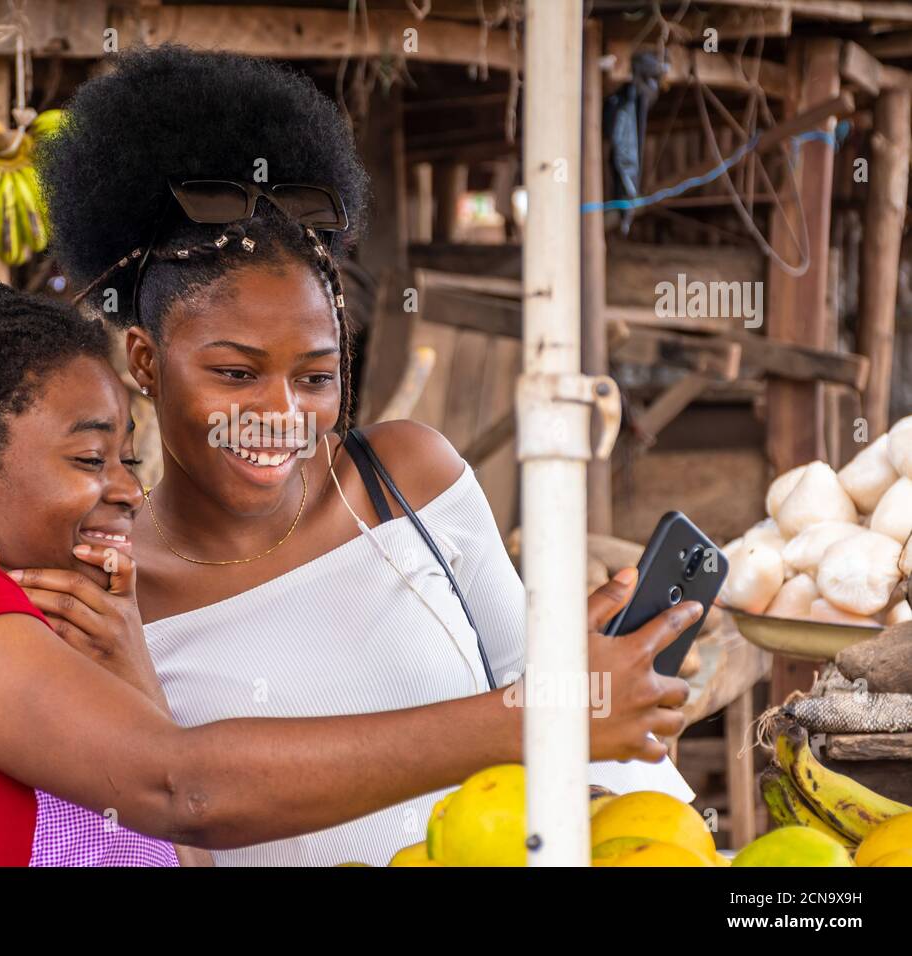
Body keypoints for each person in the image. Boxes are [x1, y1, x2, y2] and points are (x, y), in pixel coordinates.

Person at [36, 45, 697, 867]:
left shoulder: (406, 481)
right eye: (236, 373)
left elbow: (576, 736)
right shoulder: (104, 595)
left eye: (315, 375)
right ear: (142, 362)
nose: (281, 415)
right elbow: (176, 811)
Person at [0, 281, 695, 867]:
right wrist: (530, 719)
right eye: (89, 459)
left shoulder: (51, 635)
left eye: (126, 457)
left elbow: (177, 845)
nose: (124, 490)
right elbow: (185, 790)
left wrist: (132, 668)